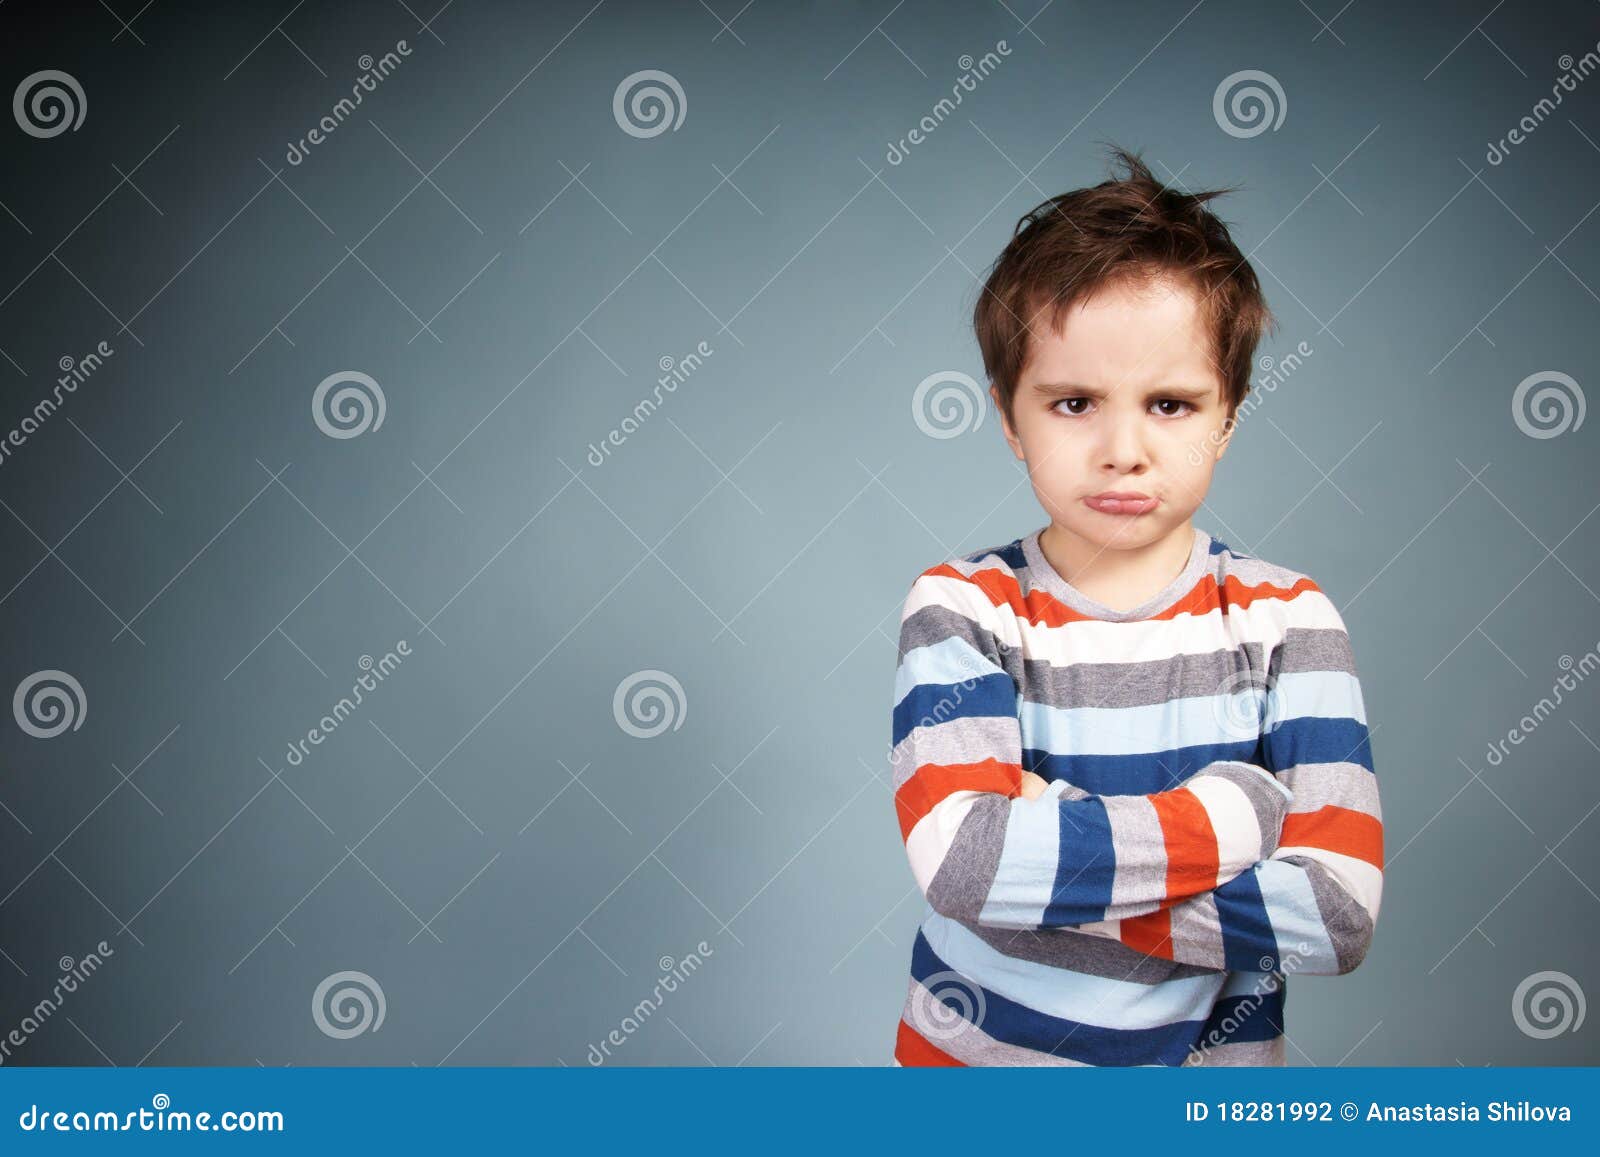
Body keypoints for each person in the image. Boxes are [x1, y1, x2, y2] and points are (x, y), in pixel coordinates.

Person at [889, 145, 1382, 1066]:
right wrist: (1236, 814)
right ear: (1008, 415)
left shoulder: (1291, 622)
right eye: (1074, 401)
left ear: (1228, 413)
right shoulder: (963, 607)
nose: (1124, 448)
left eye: (1171, 403)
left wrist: (1050, 853)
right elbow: (965, 865)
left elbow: (1335, 914)